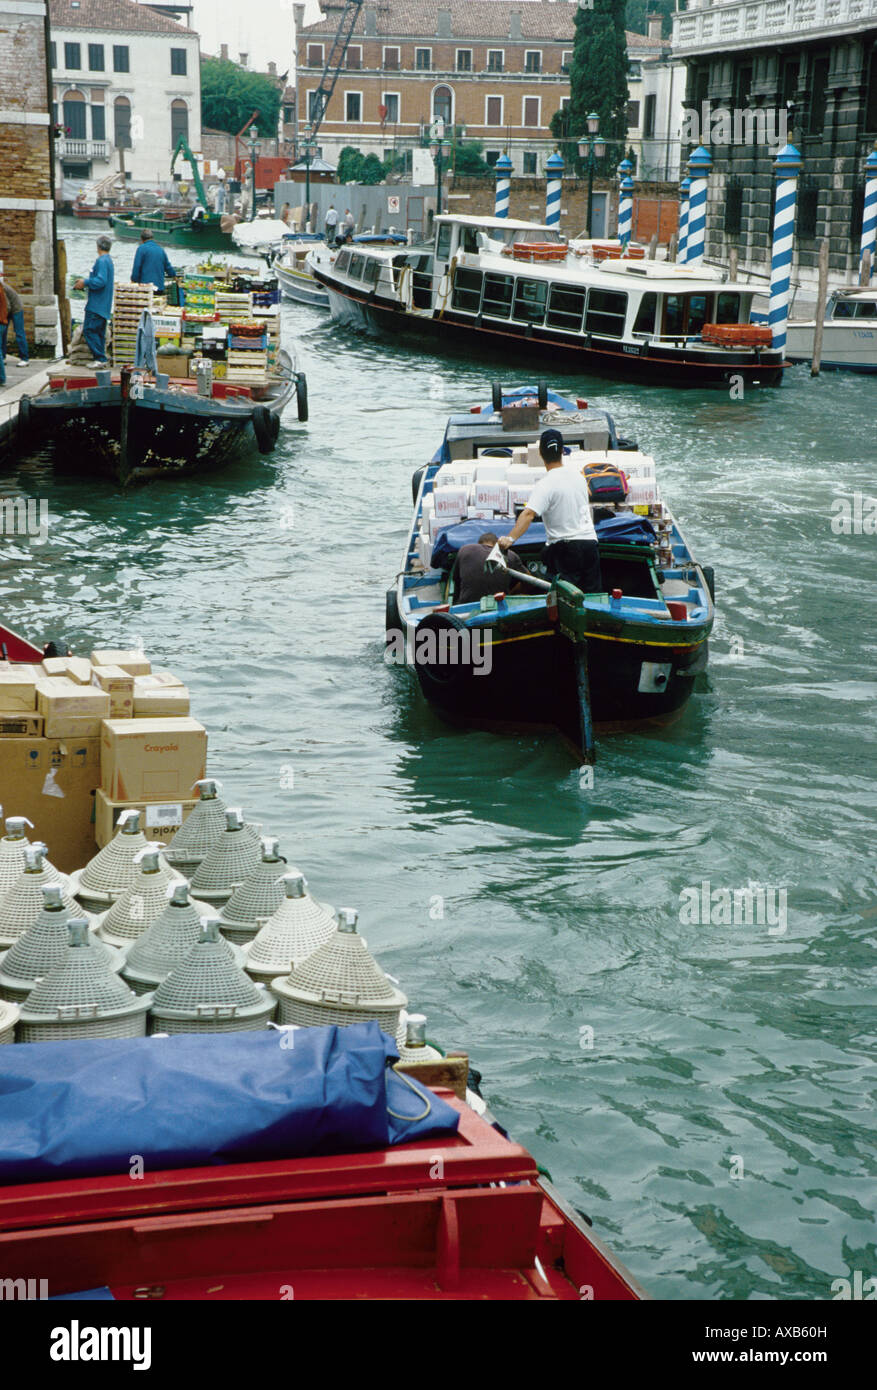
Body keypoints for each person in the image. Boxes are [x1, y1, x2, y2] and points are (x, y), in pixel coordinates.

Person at [499, 428, 602, 593]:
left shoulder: (545, 484)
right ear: (562, 451)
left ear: (541, 454)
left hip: (566, 551)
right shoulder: (580, 477)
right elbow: (587, 496)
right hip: (590, 545)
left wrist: (509, 539)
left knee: (564, 598)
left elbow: (528, 514)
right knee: (593, 597)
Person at [73, 235, 114, 368]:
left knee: (89, 330)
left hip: (96, 304)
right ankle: (101, 358)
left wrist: (85, 282)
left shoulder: (101, 261)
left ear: (98, 246)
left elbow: (101, 281)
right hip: (104, 304)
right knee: (99, 332)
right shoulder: (108, 260)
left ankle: (100, 358)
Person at [456, 532, 529, 605]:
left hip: (467, 605)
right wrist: (512, 594)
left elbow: (456, 580)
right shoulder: (511, 555)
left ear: (479, 543)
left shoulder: (465, 549)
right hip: (499, 604)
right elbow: (528, 581)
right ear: (497, 544)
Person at [1, 280, 30, 365]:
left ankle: (25, 358)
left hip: (16, 309)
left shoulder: (1, 287)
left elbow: (7, 305)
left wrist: (2, 317)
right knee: (2, 333)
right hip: (6, 310)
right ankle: (2, 358)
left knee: (19, 332)